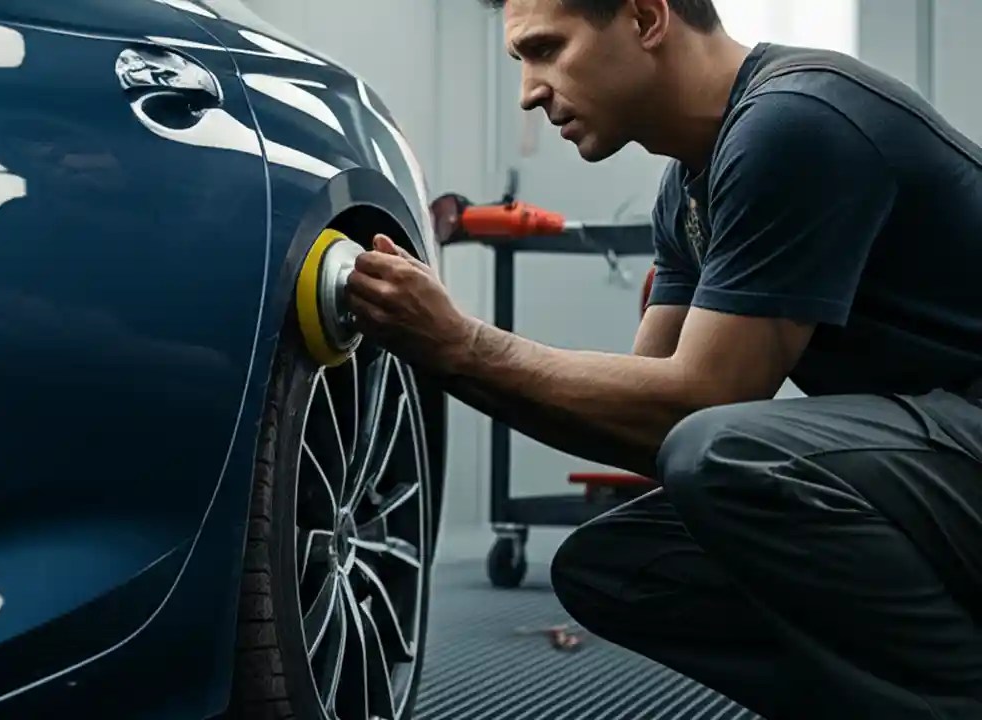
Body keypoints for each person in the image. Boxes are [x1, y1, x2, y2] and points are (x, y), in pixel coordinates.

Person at [343, 0, 982, 717]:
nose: (530, 89)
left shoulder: (797, 120)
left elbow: (699, 405)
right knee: (615, 568)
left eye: (547, 49)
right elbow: (647, 428)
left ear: (646, 19)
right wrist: (450, 355)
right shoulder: (688, 189)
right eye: (521, 62)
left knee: (727, 453)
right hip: (943, 456)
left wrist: (461, 345)